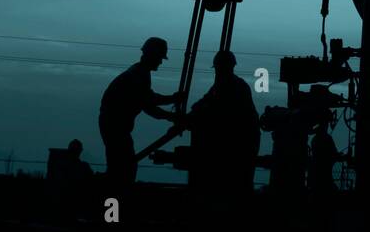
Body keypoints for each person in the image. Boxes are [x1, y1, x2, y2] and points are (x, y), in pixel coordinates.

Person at [98, 37, 178, 196]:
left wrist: (171, 108)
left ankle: (112, 212)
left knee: (124, 169)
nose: (161, 63)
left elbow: (148, 104)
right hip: (114, 127)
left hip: (115, 127)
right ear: (152, 55)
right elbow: (149, 103)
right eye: (160, 58)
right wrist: (172, 105)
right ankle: (111, 215)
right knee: (121, 172)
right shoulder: (137, 75)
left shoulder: (140, 73)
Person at [187, 49, 260, 200]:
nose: (217, 72)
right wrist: (192, 113)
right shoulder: (221, 85)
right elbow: (205, 102)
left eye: (219, 68)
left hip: (242, 142)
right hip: (239, 140)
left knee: (237, 183)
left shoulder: (233, 86)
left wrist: (193, 117)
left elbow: (217, 109)